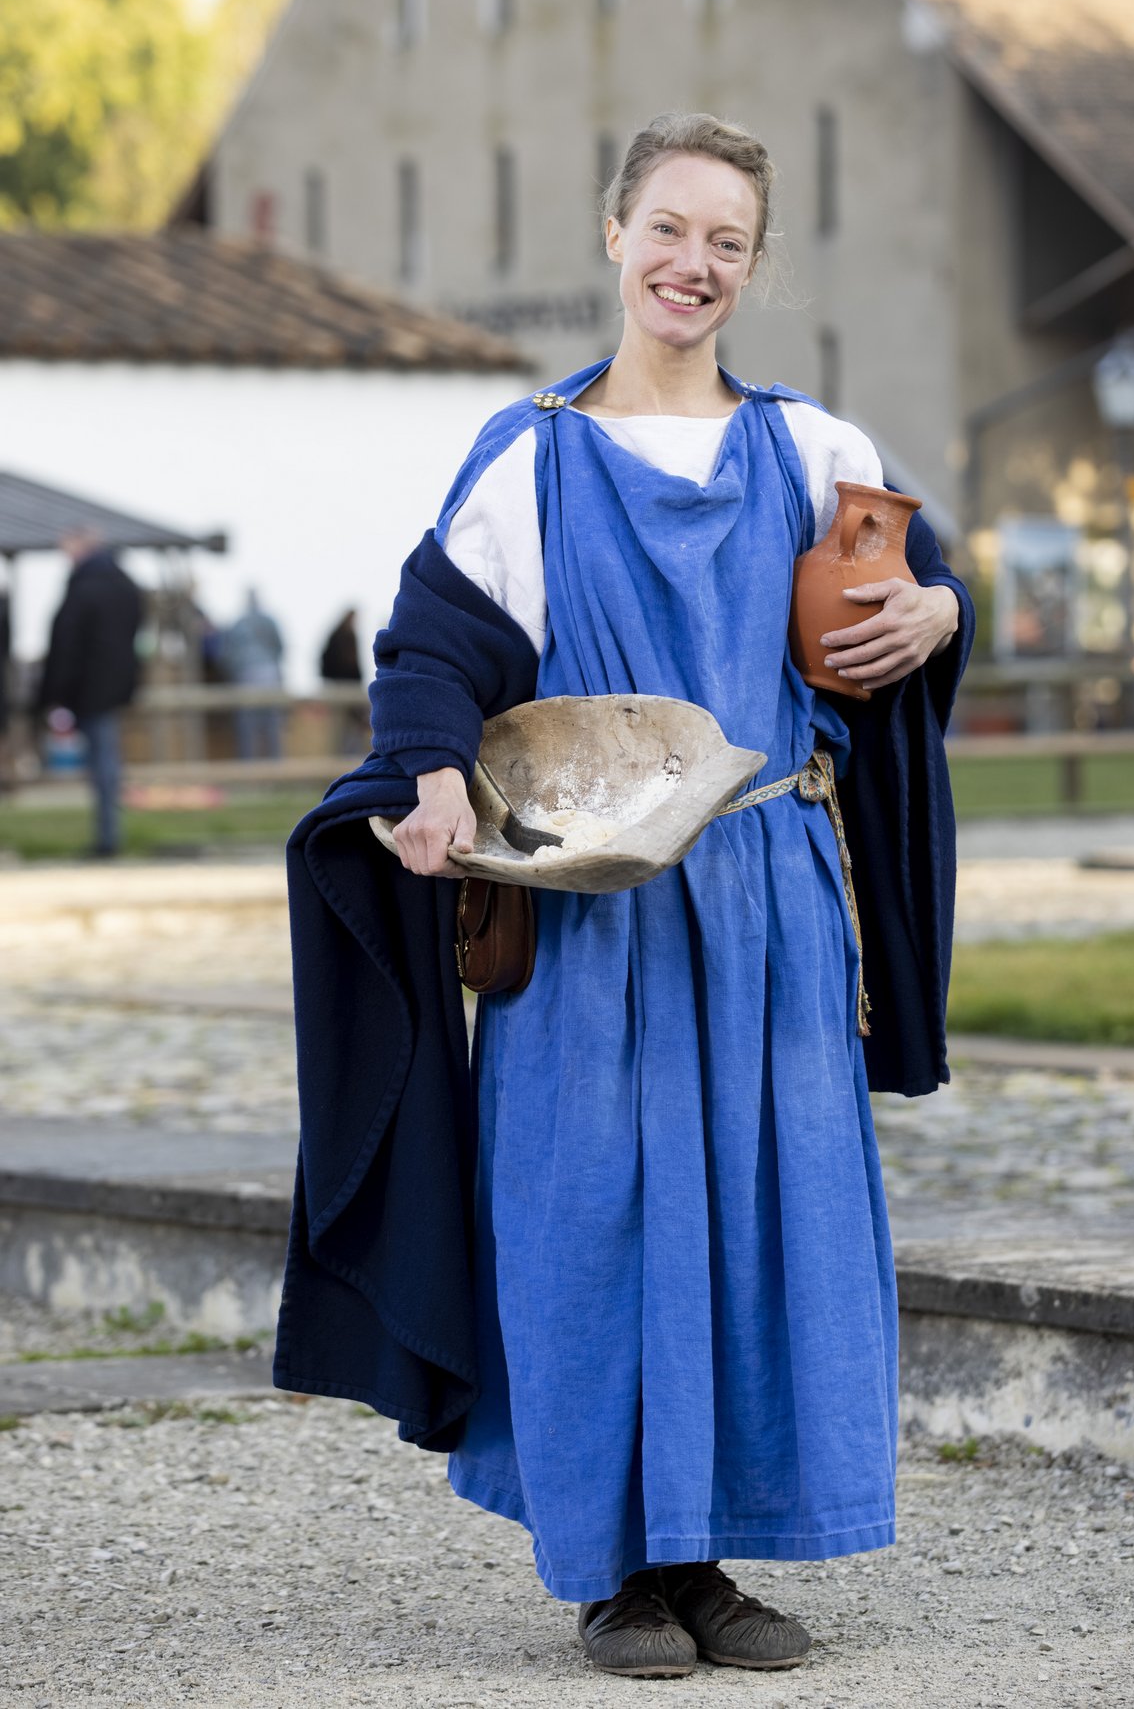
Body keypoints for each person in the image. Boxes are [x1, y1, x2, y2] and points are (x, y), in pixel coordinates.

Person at [276, 115, 973, 1679]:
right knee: (595, 1215)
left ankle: (712, 1562)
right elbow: (432, 651)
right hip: (594, 916)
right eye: (670, 228)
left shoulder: (817, 452)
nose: (693, 264)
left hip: (775, 910)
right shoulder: (529, 458)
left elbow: (901, 602)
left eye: (726, 240)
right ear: (615, 236)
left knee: (756, 1217)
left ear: (755, 262)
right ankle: (614, 1573)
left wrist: (939, 611)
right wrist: (432, 773)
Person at [36, 530, 143, 857]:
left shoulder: (83, 588)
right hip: (115, 686)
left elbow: (68, 645)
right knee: (107, 764)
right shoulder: (126, 586)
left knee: (103, 767)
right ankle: (109, 835)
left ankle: (108, 839)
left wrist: (55, 694)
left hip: (87, 689)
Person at [222, 588, 285, 760]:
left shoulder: (238, 623)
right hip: (269, 674)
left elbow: (228, 653)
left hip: (246, 676)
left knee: (248, 727)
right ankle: (275, 768)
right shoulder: (269, 620)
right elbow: (279, 648)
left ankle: (249, 769)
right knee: (270, 726)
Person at [319, 609, 366, 754]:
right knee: (341, 725)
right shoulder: (338, 636)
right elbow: (327, 661)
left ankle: (350, 754)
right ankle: (341, 755)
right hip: (339, 687)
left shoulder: (350, 636)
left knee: (353, 724)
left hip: (350, 688)